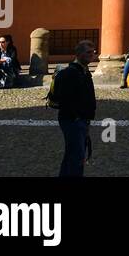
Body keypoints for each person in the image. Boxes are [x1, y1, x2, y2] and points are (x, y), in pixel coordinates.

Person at [50, 40, 96, 177]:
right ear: (79, 54)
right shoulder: (71, 73)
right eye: (88, 52)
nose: (91, 55)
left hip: (80, 120)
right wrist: (77, 116)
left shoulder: (84, 72)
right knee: (76, 157)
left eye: (93, 52)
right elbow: (66, 99)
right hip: (73, 120)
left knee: (72, 155)